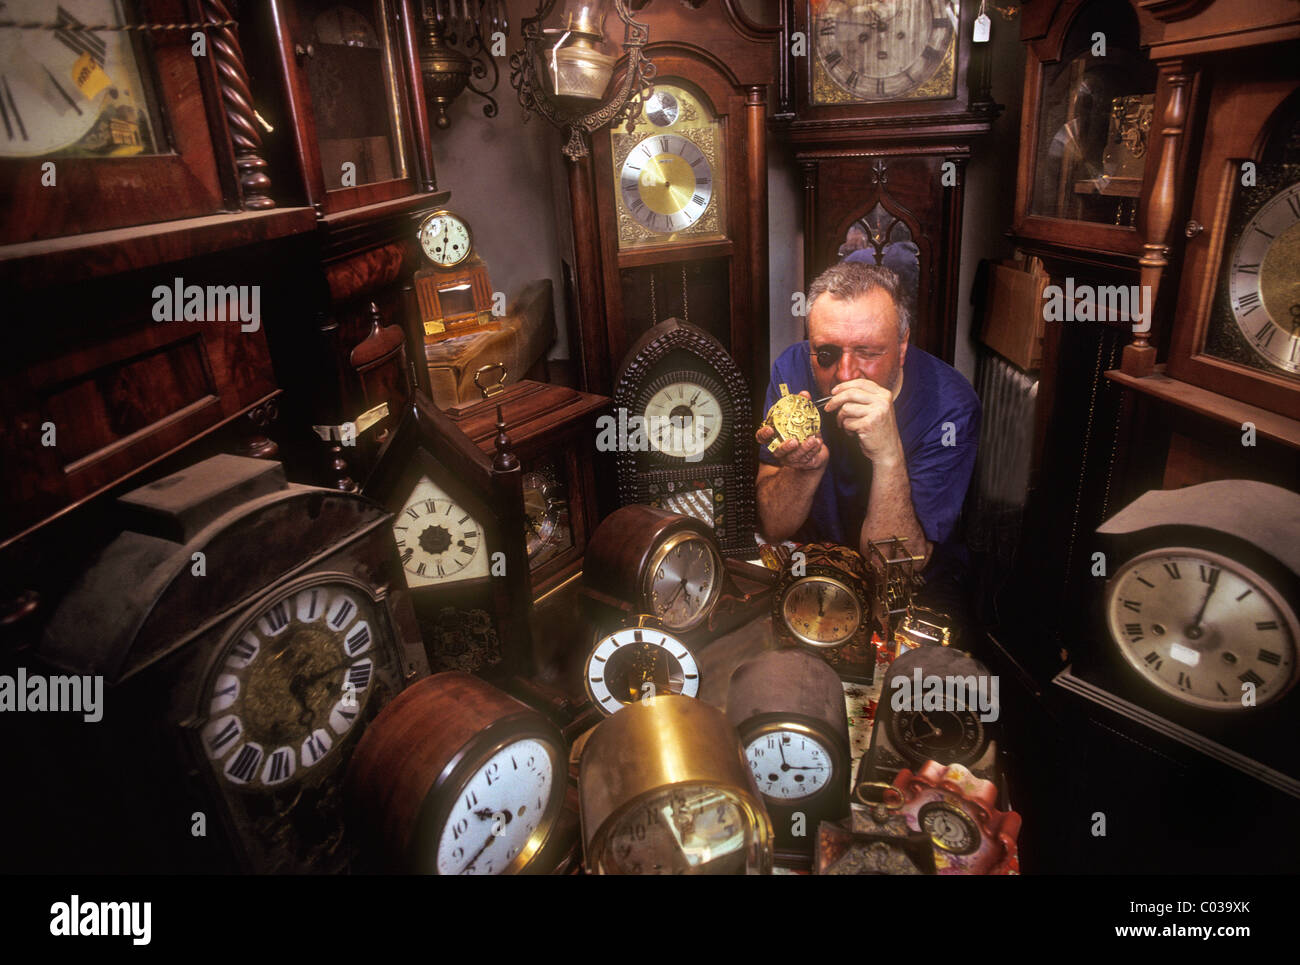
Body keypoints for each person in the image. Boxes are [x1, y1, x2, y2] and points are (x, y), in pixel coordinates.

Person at [755, 262, 980, 608]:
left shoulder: (951, 408)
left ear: (902, 346)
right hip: (817, 575)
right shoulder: (792, 369)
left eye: (868, 352)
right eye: (826, 354)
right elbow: (773, 527)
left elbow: (894, 568)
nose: (844, 373)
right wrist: (804, 468)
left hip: (908, 594)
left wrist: (889, 455)